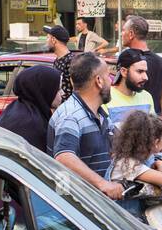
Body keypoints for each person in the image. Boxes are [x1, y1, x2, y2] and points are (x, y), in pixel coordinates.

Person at [48, 52, 123, 202]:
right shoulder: (71, 115)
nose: (111, 82)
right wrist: (103, 184)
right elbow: (64, 156)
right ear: (99, 81)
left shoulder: (99, 114)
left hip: (96, 205)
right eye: (108, 76)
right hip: (77, 208)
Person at [107, 110, 162, 219]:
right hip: (125, 219)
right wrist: (161, 164)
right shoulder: (128, 164)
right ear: (156, 143)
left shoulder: (128, 158)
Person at [0, 64, 61, 152]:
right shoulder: (30, 124)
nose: (63, 93)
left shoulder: (18, 107)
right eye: (58, 89)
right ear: (44, 90)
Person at [120, 15, 162, 114]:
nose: (121, 34)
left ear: (131, 34)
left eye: (123, 30)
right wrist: (159, 116)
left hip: (132, 122)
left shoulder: (126, 60)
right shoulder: (160, 61)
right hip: (152, 122)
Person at [106, 47, 156, 127]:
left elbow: (154, 132)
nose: (146, 77)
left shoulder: (147, 97)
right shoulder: (105, 98)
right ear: (124, 72)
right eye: (140, 71)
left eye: (145, 72)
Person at [46, 23, 75, 105]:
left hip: (68, 111)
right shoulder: (57, 60)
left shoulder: (72, 61)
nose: (46, 41)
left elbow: (77, 90)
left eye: (47, 38)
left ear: (54, 40)